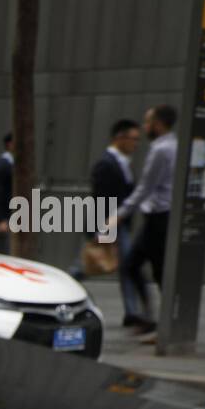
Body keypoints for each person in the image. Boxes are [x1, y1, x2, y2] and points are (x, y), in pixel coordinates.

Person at [118, 105, 178, 334]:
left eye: (147, 122)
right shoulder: (173, 146)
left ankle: (160, 322)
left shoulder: (160, 150)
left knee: (145, 268)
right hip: (160, 217)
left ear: (158, 124)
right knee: (145, 268)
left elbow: (145, 188)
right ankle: (155, 319)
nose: (144, 127)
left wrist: (120, 214)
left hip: (158, 218)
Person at [74, 119, 138, 289]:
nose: (136, 144)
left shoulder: (123, 163)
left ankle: (133, 311)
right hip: (109, 222)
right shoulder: (106, 163)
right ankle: (63, 285)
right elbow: (100, 198)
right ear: (120, 138)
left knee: (126, 268)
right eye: (133, 139)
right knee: (89, 264)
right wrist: (101, 228)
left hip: (119, 222)